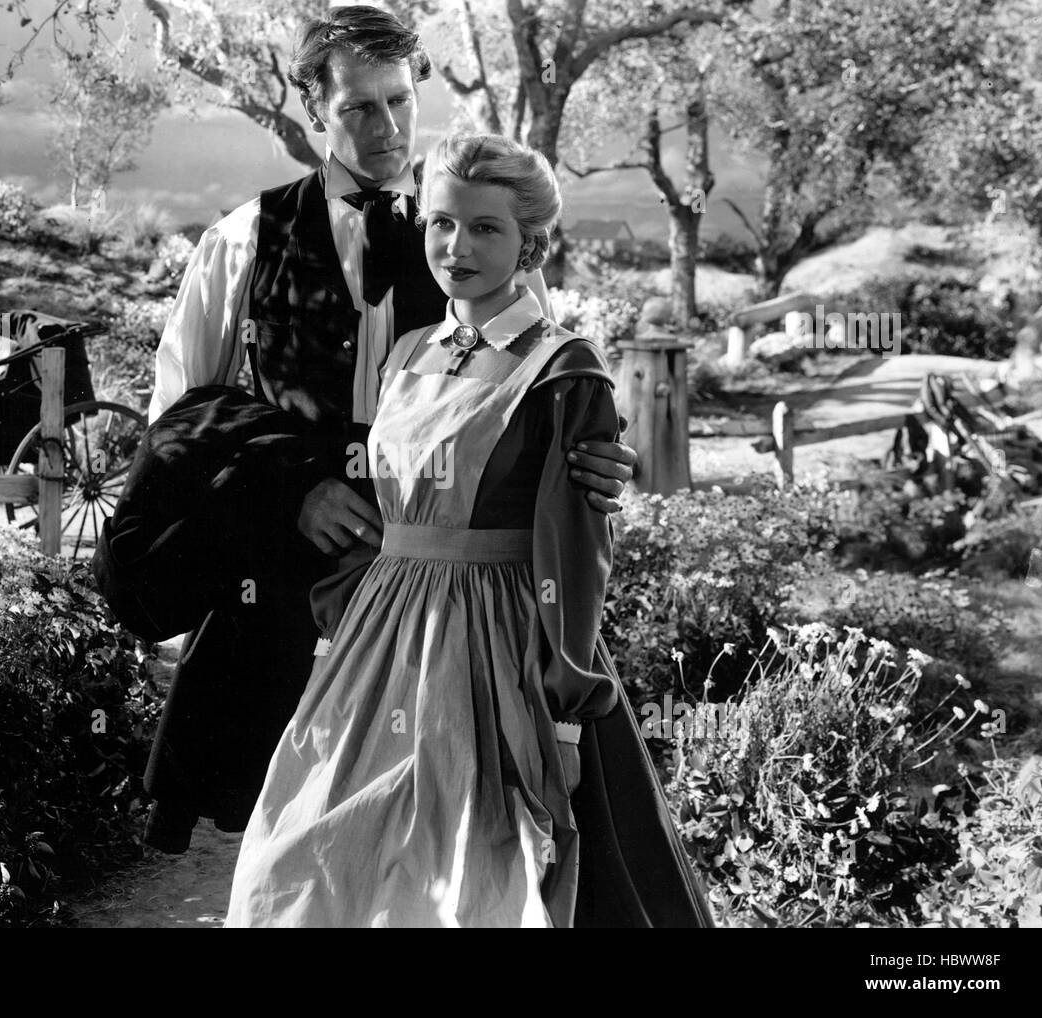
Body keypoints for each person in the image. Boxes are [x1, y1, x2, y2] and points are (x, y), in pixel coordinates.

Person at [142, 5, 638, 857]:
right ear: (312, 111)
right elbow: (178, 422)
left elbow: (537, 396)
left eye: (401, 101)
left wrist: (594, 466)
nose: (388, 127)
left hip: (457, 622)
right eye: (359, 108)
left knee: (447, 843)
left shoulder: (469, 233)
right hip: (284, 599)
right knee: (285, 848)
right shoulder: (243, 240)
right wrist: (287, 487)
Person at [225, 132, 705, 928]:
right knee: (308, 854)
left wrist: (561, 706)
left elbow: (576, 553)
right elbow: (389, 508)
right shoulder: (411, 351)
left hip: (499, 645)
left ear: (530, 245)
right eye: (442, 223)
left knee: (474, 872)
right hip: (380, 645)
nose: (457, 246)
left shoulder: (563, 369)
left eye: (486, 228)